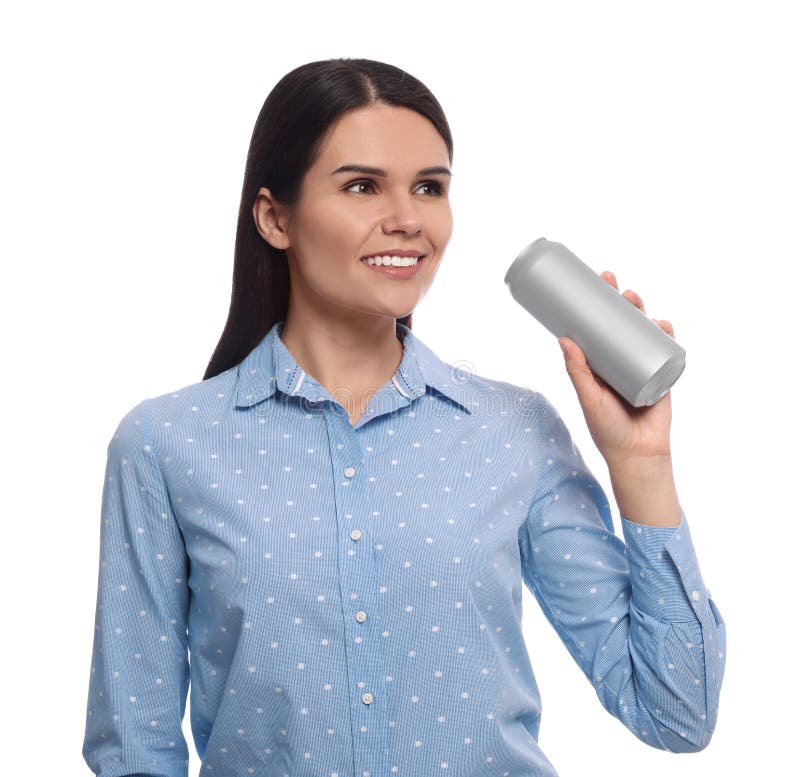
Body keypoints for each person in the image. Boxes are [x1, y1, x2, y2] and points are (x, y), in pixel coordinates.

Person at [81, 58, 726, 777]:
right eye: (362, 185)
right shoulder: (166, 445)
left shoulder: (515, 432)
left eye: (430, 187)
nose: (408, 219)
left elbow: (676, 714)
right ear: (275, 217)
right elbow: (135, 747)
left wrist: (641, 463)